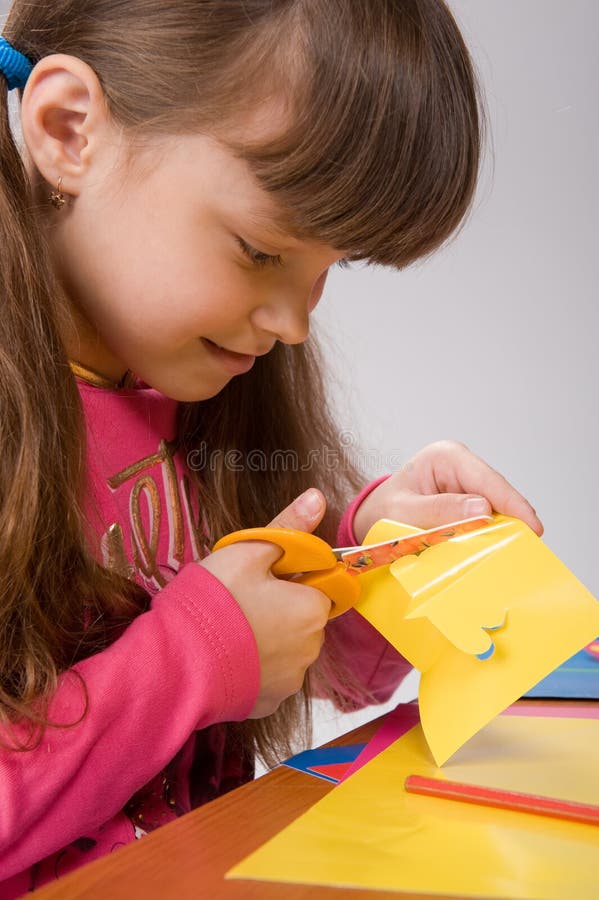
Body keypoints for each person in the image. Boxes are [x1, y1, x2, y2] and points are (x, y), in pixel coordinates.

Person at [0, 0, 543, 891]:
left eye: (333, 265)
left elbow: (274, 660)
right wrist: (195, 656)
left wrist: (374, 562)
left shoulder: (195, 391)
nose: (295, 323)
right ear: (68, 130)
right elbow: (204, 654)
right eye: (259, 252)